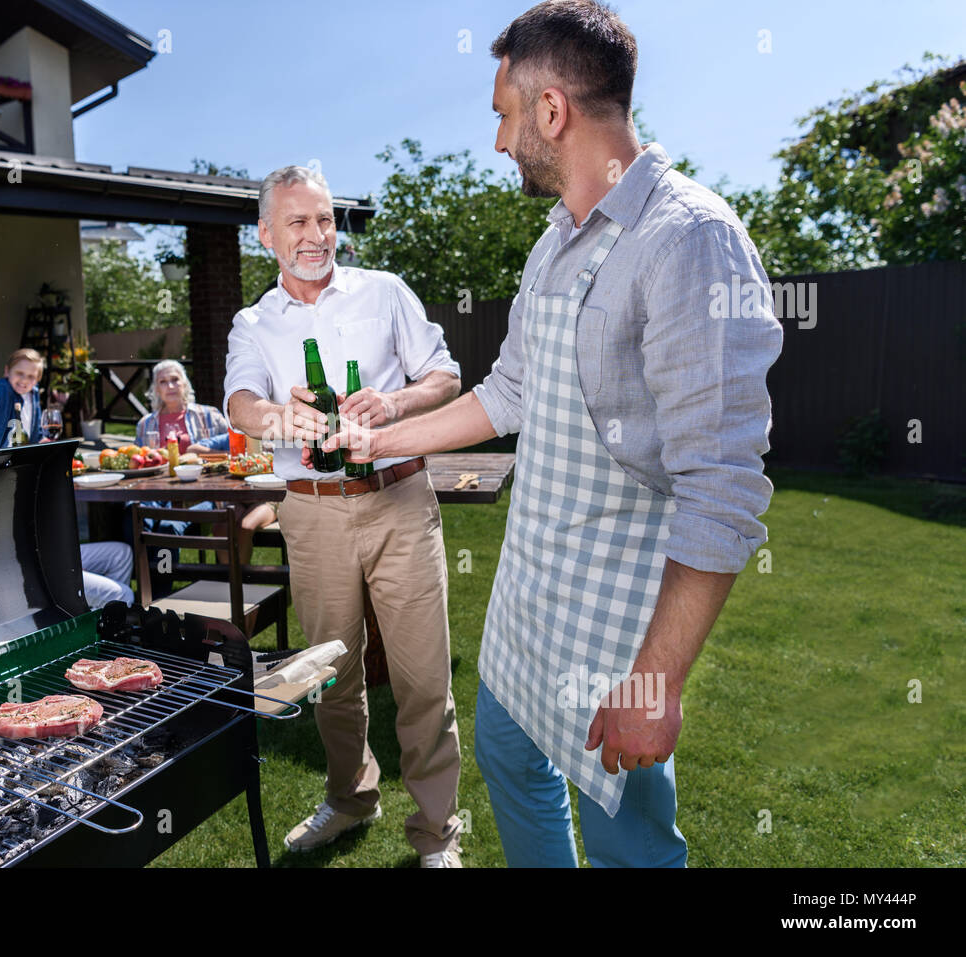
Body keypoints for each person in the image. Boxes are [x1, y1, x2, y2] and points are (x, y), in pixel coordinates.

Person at [319, 0, 783, 867]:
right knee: (502, 744)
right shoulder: (554, 243)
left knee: (626, 836)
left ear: (552, 110)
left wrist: (659, 679)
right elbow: (509, 393)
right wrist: (385, 441)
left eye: (503, 114)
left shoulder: (691, 240)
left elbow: (720, 484)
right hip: (533, 593)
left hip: (618, 617)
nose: (499, 140)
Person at [224, 165, 465, 867]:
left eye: (324, 218)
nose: (316, 234)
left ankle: (437, 834)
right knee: (331, 672)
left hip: (398, 500)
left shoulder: (384, 292)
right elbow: (240, 402)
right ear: (266, 234)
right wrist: (277, 416)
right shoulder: (254, 321)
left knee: (423, 678)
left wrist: (392, 404)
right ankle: (351, 796)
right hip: (312, 511)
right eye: (297, 221)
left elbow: (445, 375)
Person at [0, 362, 134, 609]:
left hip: (33, 552)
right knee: (122, 596)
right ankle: (85, 622)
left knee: (120, 555)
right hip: (12, 567)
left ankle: (85, 622)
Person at [135, 359, 277, 564]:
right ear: (155, 388)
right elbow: (140, 460)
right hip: (163, 489)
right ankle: (153, 581)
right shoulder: (145, 424)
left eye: (175, 380)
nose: (171, 386)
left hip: (205, 494)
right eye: (163, 382)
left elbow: (232, 442)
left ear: (185, 383)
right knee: (138, 522)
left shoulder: (208, 415)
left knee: (168, 527)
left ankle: (225, 582)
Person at [0, 348, 45, 447]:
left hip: (25, 453)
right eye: (19, 373)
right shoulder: (3, 390)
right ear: (7, 371)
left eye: (31, 376)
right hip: (4, 455)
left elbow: (36, 430)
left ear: (37, 379)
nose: (24, 380)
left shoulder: (33, 392)